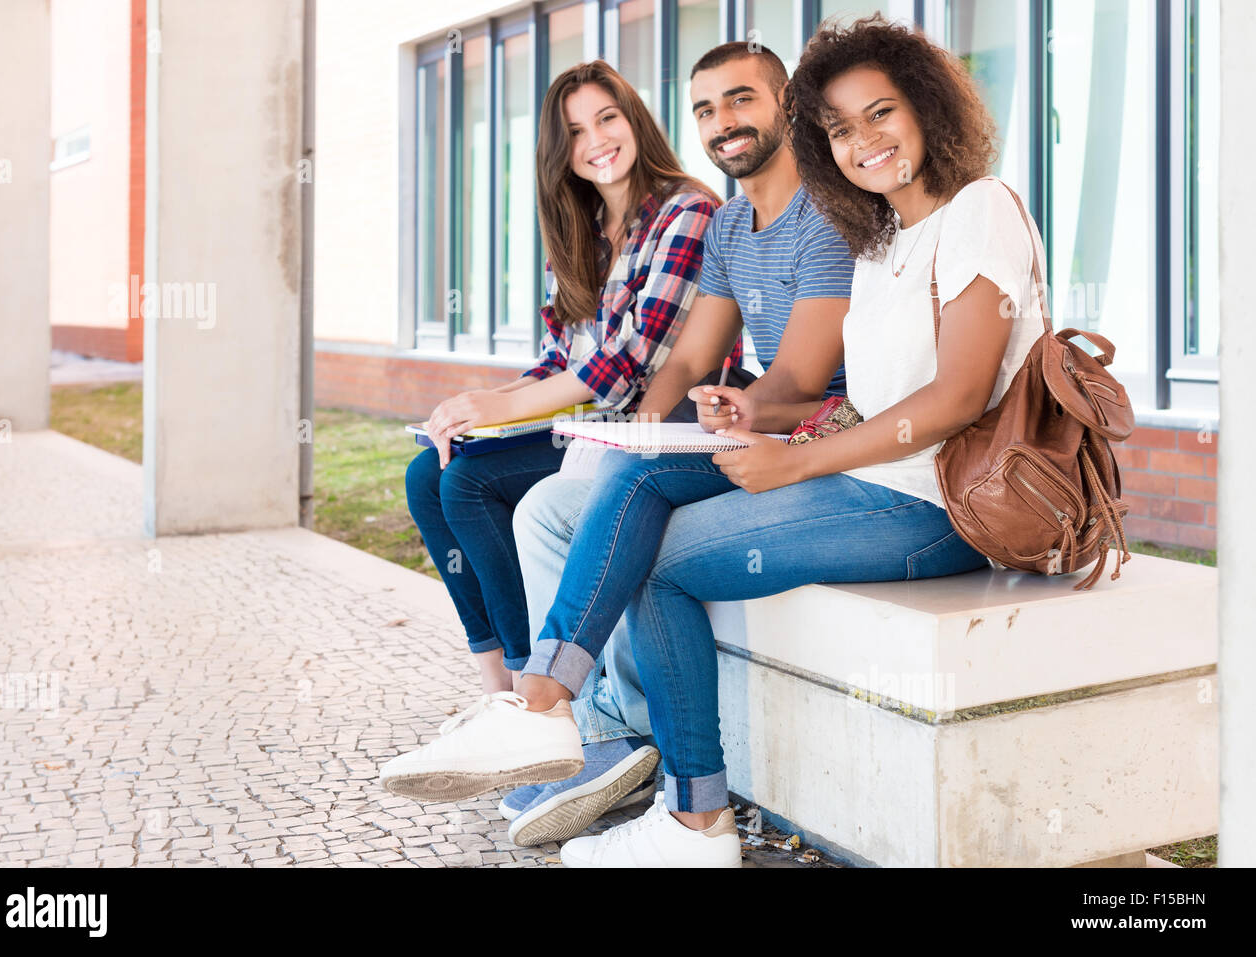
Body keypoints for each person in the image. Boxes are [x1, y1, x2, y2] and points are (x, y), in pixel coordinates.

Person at [384, 13, 1045, 868]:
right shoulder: (879, 238)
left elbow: (954, 398)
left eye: (880, 114)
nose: (862, 142)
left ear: (926, 107)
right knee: (641, 490)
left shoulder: (978, 209)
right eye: (840, 128)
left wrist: (796, 454)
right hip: (866, 473)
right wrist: (740, 417)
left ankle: (643, 778)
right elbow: (854, 398)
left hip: (938, 502)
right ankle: (572, 728)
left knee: (650, 549)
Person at [498, 42, 855, 847]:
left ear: (786, 106)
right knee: (550, 506)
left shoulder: (827, 217)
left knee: (639, 530)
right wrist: (647, 431)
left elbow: (800, 379)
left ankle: (556, 708)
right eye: (705, 109)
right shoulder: (732, 223)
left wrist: (733, 410)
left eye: (741, 101)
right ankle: (592, 731)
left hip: (821, 441)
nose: (723, 123)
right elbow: (692, 355)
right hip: (756, 428)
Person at [402, 60, 719, 710]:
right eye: (575, 132)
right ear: (559, 151)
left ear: (633, 118)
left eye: (607, 118)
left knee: (470, 483)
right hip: (582, 423)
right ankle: (494, 692)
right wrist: (476, 410)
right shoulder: (581, 230)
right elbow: (555, 365)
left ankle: (532, 697)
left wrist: (496, 403)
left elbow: (626, 367)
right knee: (425, 475)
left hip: (650, 425)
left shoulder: (686, 211)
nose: (597, 140)